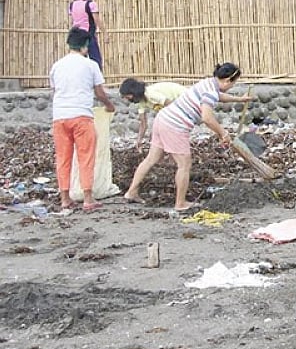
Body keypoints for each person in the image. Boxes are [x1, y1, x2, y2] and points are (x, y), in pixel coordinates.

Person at [123, 63, 252, 210]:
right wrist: (223, 133)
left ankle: (131, 192)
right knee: (184, 165)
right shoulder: (210, 91)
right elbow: (207, 118)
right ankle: (180, 203)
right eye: (233, 83)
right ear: (228, 80)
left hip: (163, 119)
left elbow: (219, 96)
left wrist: (239, 100)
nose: (232, 86)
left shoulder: (208, 83)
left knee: (151, 159)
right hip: (175, 126)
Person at [49, 27, 116, 212]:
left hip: (60, 117)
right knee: (85, 156)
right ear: (85, 46)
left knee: (63, 158)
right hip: (81, 116)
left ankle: (65, 198)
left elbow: (55, 92)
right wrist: (109, 106)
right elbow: (99, 93)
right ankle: (87, 198)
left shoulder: (57, 66)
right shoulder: (90, 65)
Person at [119, 78, 187, 150]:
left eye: (127, 96)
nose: (127, 99)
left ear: (133, 92)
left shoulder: (150, 94)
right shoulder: (140, 102)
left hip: (183, 98)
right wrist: (139, 140)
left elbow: (170, 105)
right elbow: (143, 123)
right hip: (176, 106)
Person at [68, 0, 105, 70]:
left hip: (76, 36)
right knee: (96, 60)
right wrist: (105, 32)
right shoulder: (90, 4)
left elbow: (72, 21)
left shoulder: (72, 5)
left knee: (78, 60)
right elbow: (96, 20)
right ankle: (96, 80)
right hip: (88, 35)